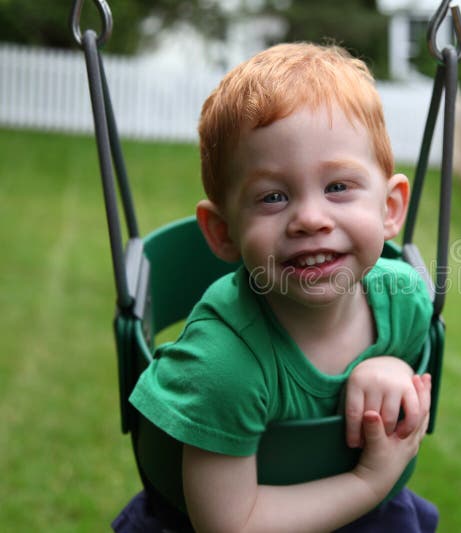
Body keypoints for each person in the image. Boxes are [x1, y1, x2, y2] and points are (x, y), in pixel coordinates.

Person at [112, 42, 438, 532]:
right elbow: (231, 525)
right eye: (273, 196)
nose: (310, 218)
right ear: (222, 233)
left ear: (390, 208)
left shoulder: (405, 299)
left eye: (338, 187)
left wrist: (388, 364)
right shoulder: (223, 363)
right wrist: (370, 484)